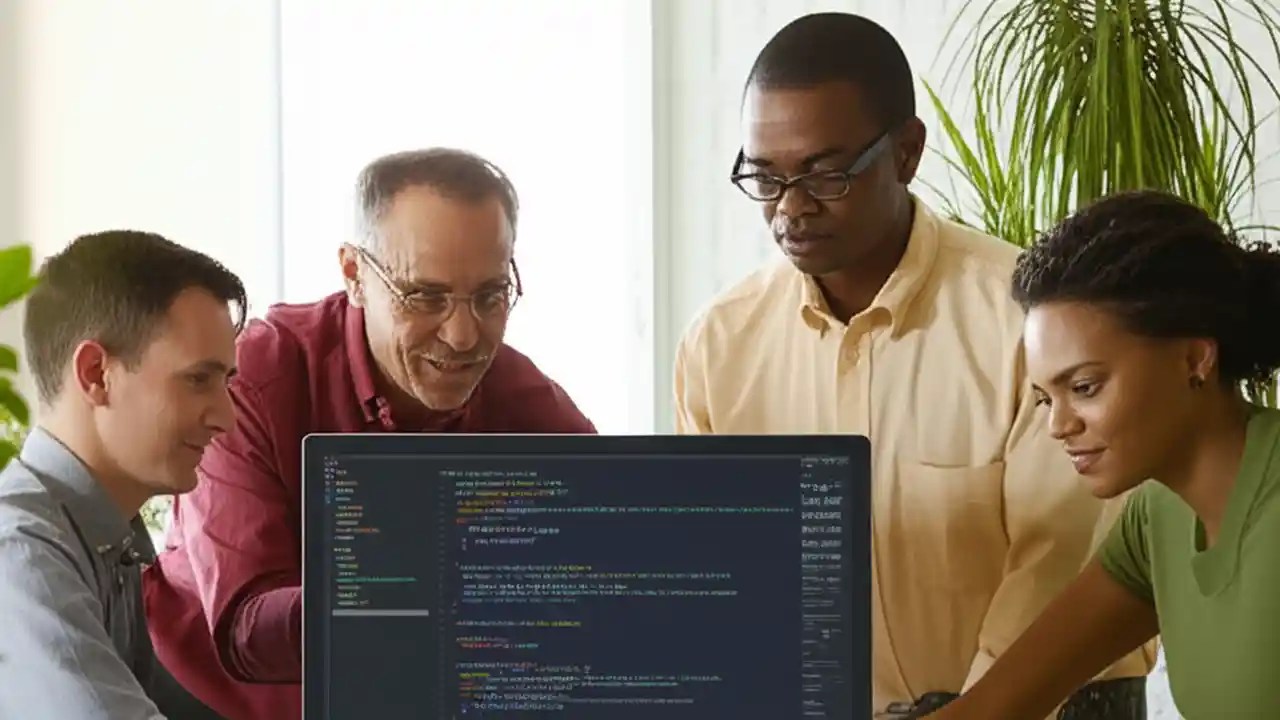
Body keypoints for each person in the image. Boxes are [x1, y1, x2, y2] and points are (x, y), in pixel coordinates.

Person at [671, 12, 1154, 717]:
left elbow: (1059, 569)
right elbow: (719, 573)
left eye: (825, 174)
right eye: (765, 178)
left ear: (906, 152)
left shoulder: (1028, 322)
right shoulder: (720, 346)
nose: (790, 209)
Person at [145, 147, 596, 719]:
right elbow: (246, 631)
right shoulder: (255, 380)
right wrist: (409, 597)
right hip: (206, 701)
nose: (464, 335)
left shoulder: (527, 404)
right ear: (355, 275)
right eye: (425, 296)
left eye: (489, 296)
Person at [927, 190, 1280, 719]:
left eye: (1086, 387)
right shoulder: (1156, 516)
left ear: (1194, 358)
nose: (1058, 425)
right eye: (1048, 397)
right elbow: (990, 711)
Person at [0, 230, 244, 719]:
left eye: (226, 383)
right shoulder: (21, 552)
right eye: (198, 379)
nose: (228, 417)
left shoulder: (107, 538)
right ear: (95, 373)